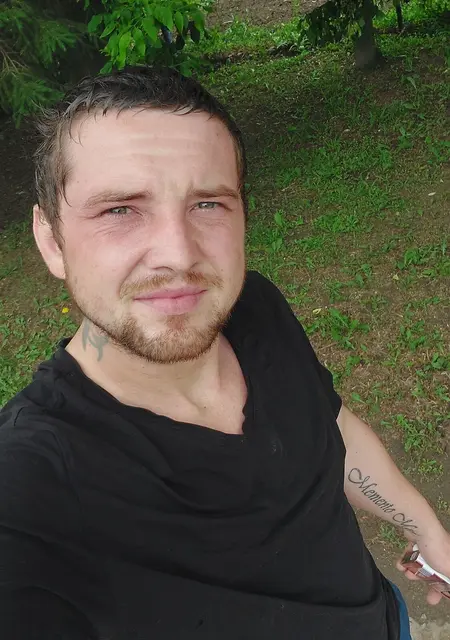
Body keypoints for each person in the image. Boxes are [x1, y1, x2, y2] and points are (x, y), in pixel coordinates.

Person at [0, 66, 448, 640]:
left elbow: (328, 425)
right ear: (50, 239)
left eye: (208, 204)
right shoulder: (31, 489)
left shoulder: (254, 307)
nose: (178, 254)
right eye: (119, 210)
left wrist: (424, 526)